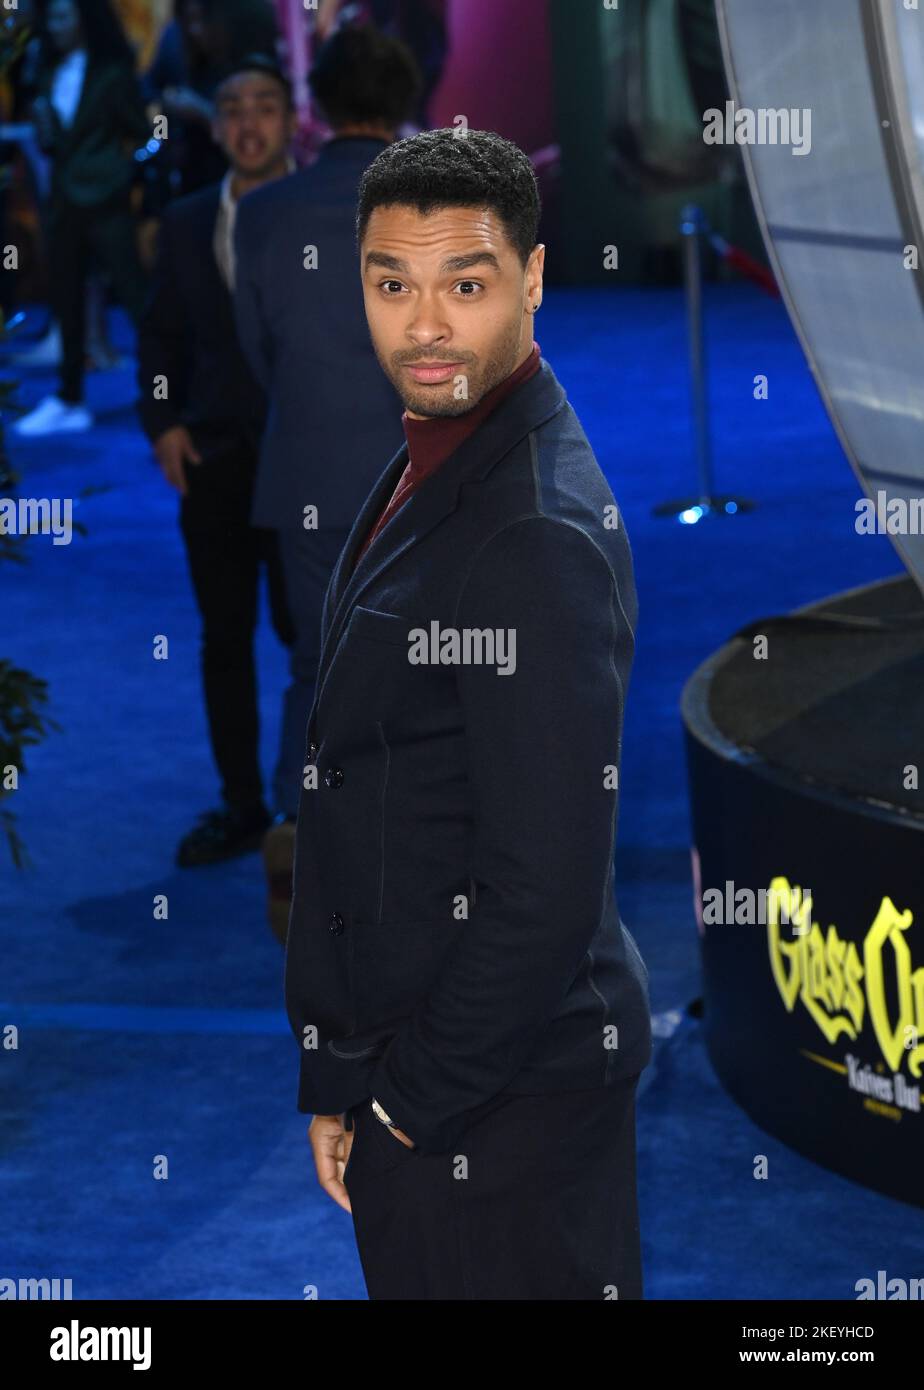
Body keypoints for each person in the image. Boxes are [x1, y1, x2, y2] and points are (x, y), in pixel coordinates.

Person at [283, 128, 654, 1300]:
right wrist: (343, 1072)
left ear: (532, 279)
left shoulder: (531, 533)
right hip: (433, 1076)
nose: (426, 326)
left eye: (466, 283)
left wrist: (402, 1105)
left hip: (493, 1114)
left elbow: (543, 889)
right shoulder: (437, 455)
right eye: (393, 285)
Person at [233, 24, 418, 938]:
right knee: (426, 654)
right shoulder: (437, 209)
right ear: (404, 104)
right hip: (417, 469)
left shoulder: (265, 213)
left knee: (318, 656)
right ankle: (412, 839)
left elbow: (257, 352)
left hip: (306, 463)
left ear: (317, 106)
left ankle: (303, 823)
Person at [136, 55, 298, 870]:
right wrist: (163, 421)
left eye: (264, 105)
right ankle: (242, 804)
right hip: (214, 461)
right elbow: (160, 334)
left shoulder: (329, 213)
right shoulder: (188, 220)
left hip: (309, 462)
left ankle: (317, 802)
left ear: (291, 119)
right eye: (232, 108)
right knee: (223, 639)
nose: (247, 122)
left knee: (316, 636)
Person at [13, 0, 150, 438]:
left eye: (62, 16)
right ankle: (69, 396)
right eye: (50, 18)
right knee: (66, 302)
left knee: (135, 298)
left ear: (83, 19)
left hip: (107, 201)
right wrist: (45, 129)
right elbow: (54, 144)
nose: (53, 26)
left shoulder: (112, 74)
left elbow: (145, 134)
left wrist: (126, 173)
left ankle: (167, 390)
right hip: (63, 202)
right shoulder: (48, 73)